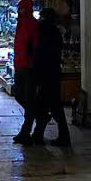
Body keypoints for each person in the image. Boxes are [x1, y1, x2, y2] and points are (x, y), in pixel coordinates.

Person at [31, 8, 70, 147]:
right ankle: (39, 134)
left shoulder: (45, 31)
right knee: (48, 105)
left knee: (51, 106)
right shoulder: (55, 32)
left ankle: (60, 136)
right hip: (52, 72)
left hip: (46, 73)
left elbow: (40, 52)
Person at [12, 0, 38, 145]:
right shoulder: (21, 23)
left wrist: (31, 61)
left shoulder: (32, 24)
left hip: (28, 67)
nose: (19, 10)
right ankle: (38, 115)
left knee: (28, 98)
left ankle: (25, 131)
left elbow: (33, 46)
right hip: (19, 65)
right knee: (19, 95)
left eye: (21, 8)